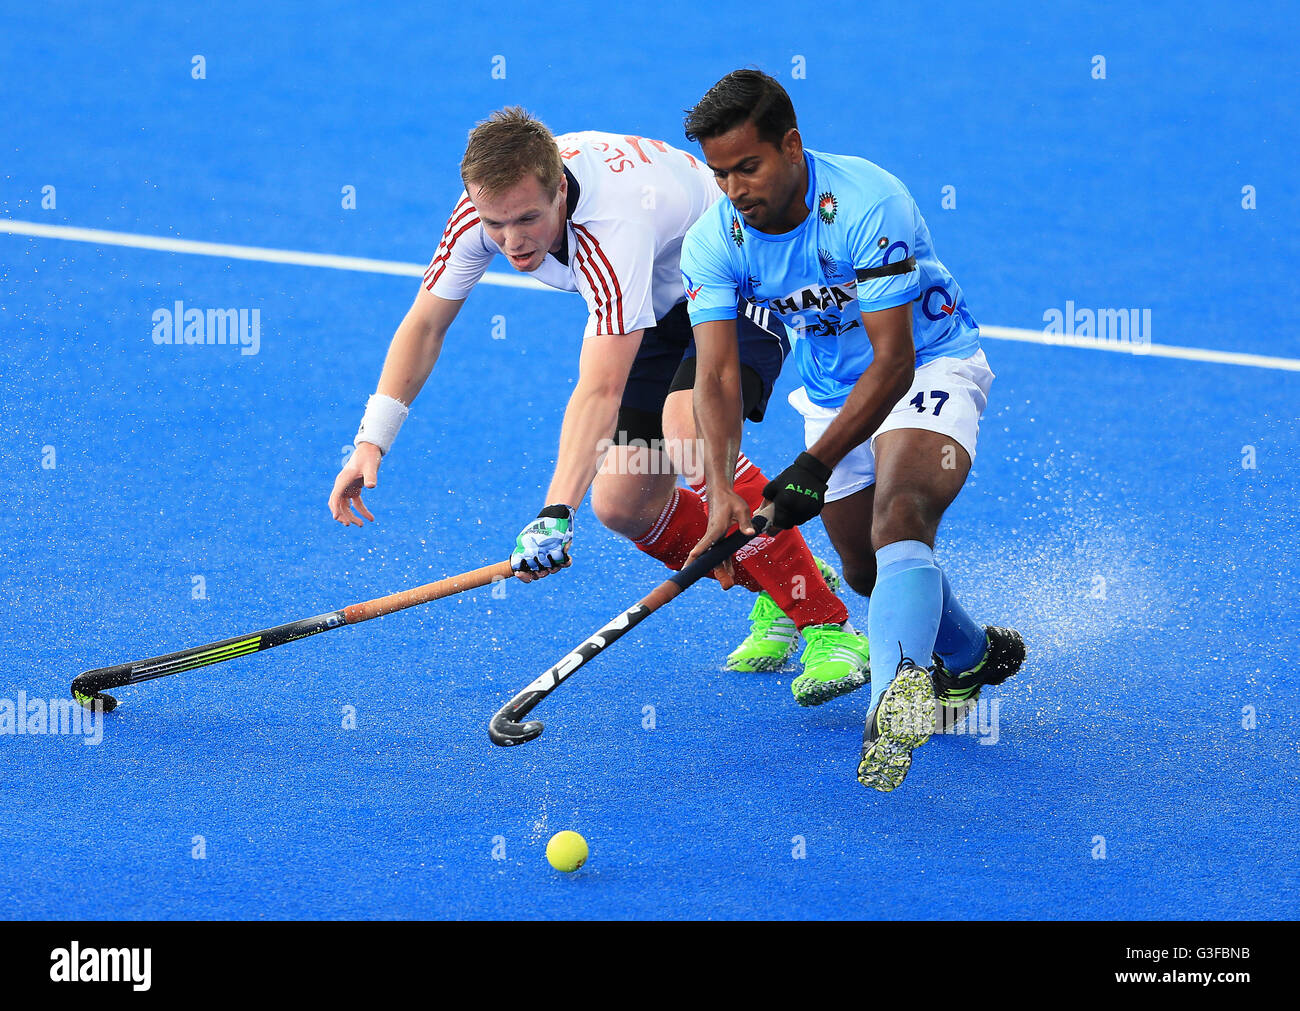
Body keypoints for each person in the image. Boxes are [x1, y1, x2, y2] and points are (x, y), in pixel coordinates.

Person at [327, 107, 870, 702]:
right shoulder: (484, 211)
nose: (512, 240)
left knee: (688, 433)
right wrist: (371, 441)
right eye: (496, 223)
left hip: (742, 279)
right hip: (660, 305)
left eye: (529, 220)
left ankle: (830, 625)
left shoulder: (610, 229)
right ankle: (781, 577)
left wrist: (555, 511)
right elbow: (426, 325)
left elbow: (600, 389)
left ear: (560, 188)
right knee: (623, 504)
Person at [679, 71, 1025, 790]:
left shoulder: (868, 204)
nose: (735, 188)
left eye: (749, 166)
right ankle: (966, 656)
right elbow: (714, 377)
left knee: (903, 515)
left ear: (792, 145)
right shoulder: (716, 239)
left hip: (931, 365)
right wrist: (721, 492)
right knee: (868, 569)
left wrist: (810, 464)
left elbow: (895, 360)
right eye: (720, 174)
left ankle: (892, 709)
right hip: (833, 393)